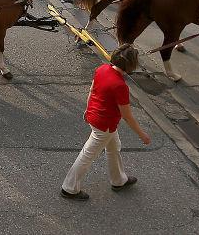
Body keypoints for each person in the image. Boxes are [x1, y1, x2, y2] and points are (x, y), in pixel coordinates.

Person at [60, 44, 150, 200]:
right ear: (130, 65)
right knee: (87, 155)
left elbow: (91, 91)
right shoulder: (120, 86)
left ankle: (119, 180)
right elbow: (127, 116)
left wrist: (88, 109)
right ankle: (69, 188)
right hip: (105, 125)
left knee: (114, 148)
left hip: (94, 117)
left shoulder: (102, 69)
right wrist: (142, 135)